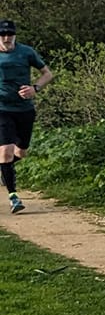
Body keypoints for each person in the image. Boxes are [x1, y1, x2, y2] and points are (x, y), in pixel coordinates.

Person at [0, 19, 52, 213]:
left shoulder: (26, 52)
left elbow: (47, 73)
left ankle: (4, 169)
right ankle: (14, 197)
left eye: (9, 34)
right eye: (2, 34)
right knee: (5, 151)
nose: (6, 38)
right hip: (2, 109)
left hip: (24, 109)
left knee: (21, 152)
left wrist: (35, 88)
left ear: (15, 35)